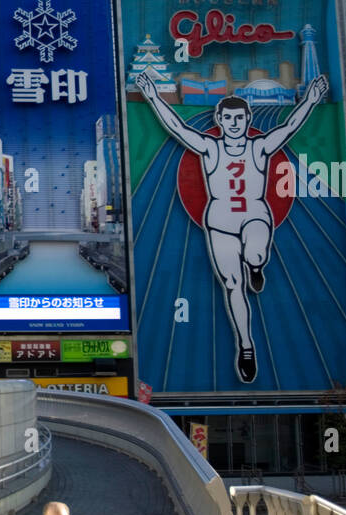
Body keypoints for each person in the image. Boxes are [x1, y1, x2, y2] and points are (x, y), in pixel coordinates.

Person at [135, 69, 329, 383]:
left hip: (254, 215)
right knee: (232, 286)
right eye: (229, 119)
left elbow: (290, 126)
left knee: (254, 253)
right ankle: (246, 344)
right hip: (220, 223)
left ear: (248, 119)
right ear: (220, 121)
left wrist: (310, 99)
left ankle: (256, 266)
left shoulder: (260, 147)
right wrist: (154, 97)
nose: (235, 123)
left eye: (240, 118)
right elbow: (178, 128)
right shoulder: (210, 149)